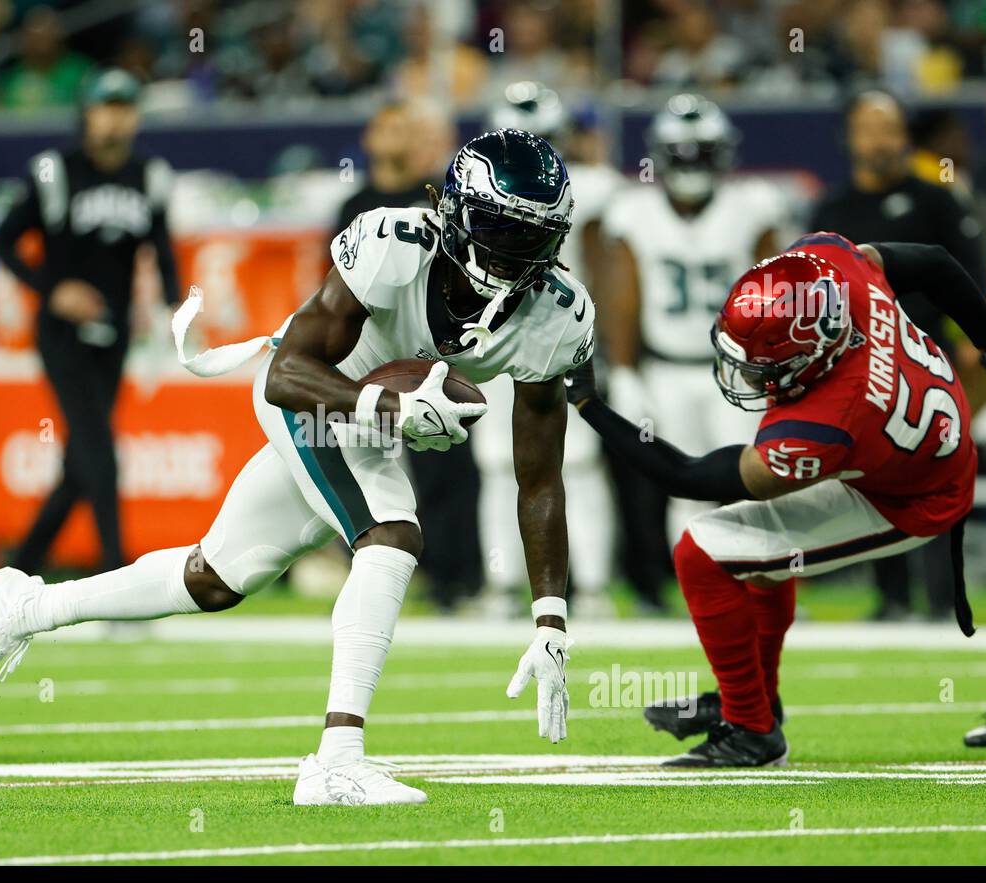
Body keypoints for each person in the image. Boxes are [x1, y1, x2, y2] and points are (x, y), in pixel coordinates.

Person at [0, 129, 593, 806]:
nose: (511, 250)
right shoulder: (394, 245)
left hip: (368, 418)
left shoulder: (555, 316)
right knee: (392, 535)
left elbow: (541, 477)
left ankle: (29, 606)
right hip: (314, 397)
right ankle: (336, 759)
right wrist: (382, 406)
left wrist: (550, 617)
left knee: (215, 578)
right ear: (459, 212)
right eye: (498, 227)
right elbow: (287, 371)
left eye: (531, 236)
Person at [568, 233, 986, 766]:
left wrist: (588, 404)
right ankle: (756, 702)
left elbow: (686, 475)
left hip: (915, 498)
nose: (747, 374)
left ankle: (751, 729)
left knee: (701, 552)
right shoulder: (832, 268)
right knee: (760, 558)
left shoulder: (826, 421)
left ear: (814, 357)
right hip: (914, 444)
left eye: (763, 367)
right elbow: (933, 260)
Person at [0, 67, 180, 576]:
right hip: (63, 335)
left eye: (123, 108)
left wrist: (176, 317)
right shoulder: (54, 170)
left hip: (114, 336)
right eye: (105, 107)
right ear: (87, 115)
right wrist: (55, 291)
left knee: (82, 463)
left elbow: (162, 254)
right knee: (100, 451)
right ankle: (117, 577)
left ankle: (20, 567)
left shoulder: (151, 176)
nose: (114, 119)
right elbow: (1, 240)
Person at [810, 90, 985, 621]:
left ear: (904, 136)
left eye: (888, 129)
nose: (880, 141)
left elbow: (969, 276)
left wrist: (975, 341)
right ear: (850, 138)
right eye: (868, 129)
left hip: (929, 363)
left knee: (937, 473)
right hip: (860, 369)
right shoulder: (833, 208)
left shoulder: (936, 199)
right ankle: (891, 597)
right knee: (870, 477)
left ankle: (939, 598)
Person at [602, 94, 784, 581]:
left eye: (700, 152)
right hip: (666, 368)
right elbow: (624, 297)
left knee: (752, 481)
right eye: (682, 153)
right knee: (684, 486)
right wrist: (622, 369)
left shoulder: (754, 206)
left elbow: (778, 293)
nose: (691, 164)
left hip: (738, 369)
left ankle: (760, 585)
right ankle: (701, 590)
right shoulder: (633, 210)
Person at [481, 82, 624, 619]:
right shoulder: (482, 189)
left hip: (561, 336)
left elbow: (608, 266)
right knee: (499, 466)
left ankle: (589, 586)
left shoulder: (592, 187)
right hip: (492, 339)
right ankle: (501, 585)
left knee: (578, 466)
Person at [334, 100, 482, 613]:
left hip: (431, 354)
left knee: (449, 464)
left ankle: (457, 577)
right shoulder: (355, 203)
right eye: (388, 127)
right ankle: (377, 572)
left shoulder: (438, 200)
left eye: (406, 127)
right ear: (371, 138)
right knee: (367, 467)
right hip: (371, 356)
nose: (397, 137)